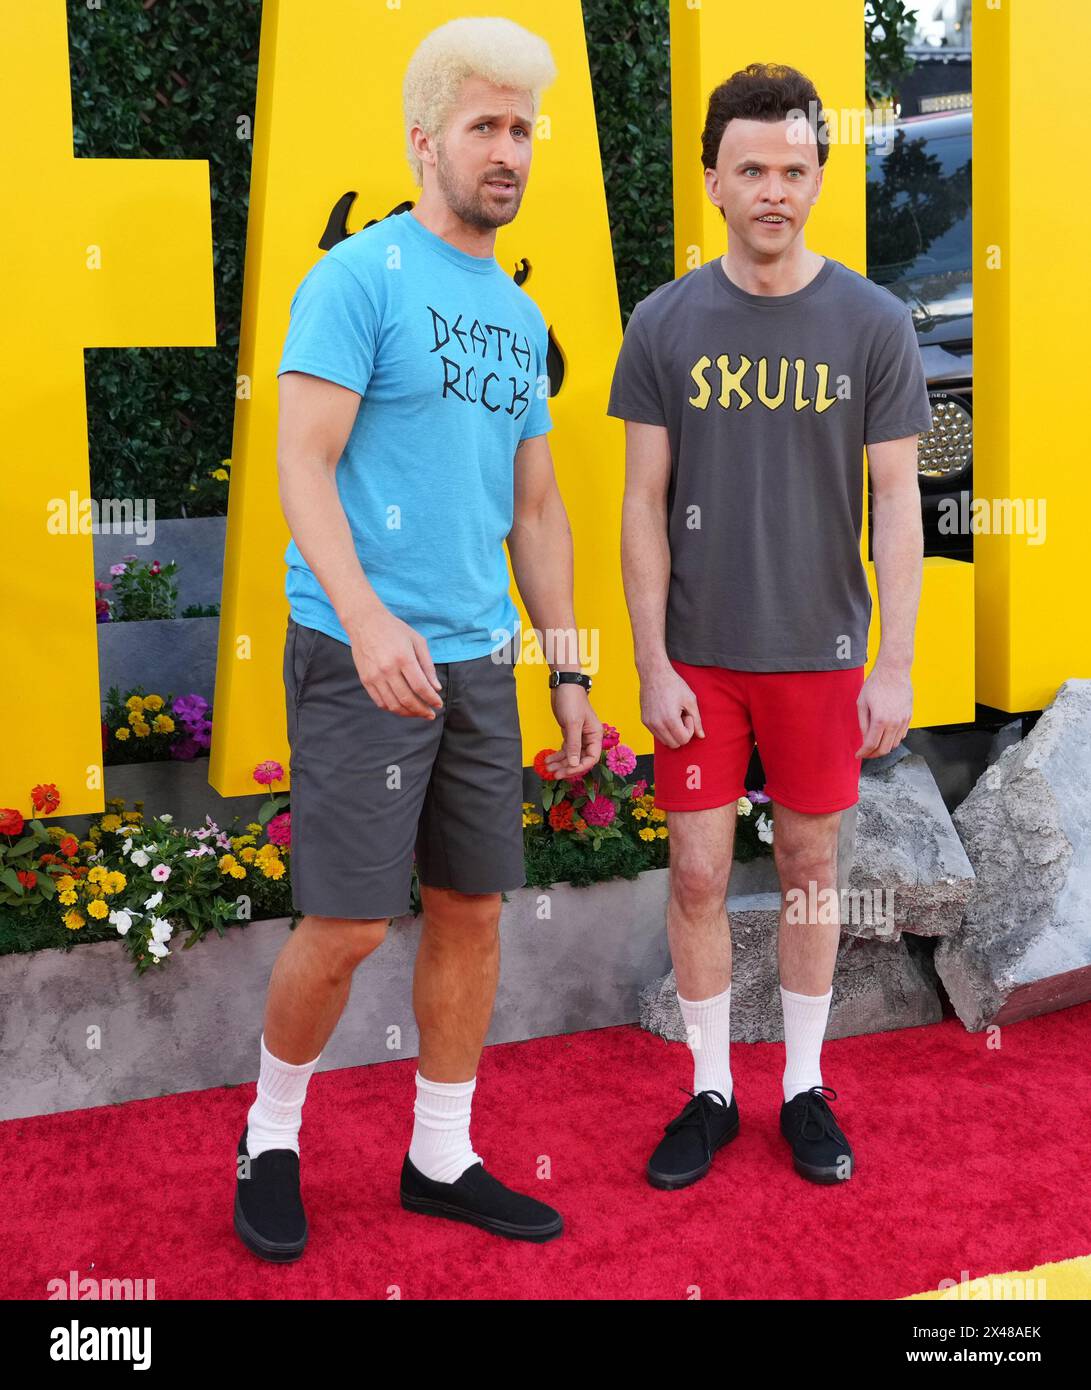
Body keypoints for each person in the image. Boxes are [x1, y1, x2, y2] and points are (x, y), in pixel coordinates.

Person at [234, 16, 602, 1262]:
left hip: (477, 659)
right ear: (423, 138)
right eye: (484, 127)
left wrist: (567, 670)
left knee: (471, 912)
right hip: (356, 651)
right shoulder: (356, 280)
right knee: (342, 924)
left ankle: (439, 1153)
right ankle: (270, 1136)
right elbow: (300, 462)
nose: (507, 150)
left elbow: (536, 508)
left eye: (521, 129)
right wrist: (368, 615)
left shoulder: (508, 309)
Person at [608, 62, 933, 1191]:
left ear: (815, 175)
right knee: (696, 873)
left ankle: (800, 1085)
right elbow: (639, 501)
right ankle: (707, 1089)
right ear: (712, 181)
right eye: (750, 168)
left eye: (793, 169)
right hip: (698, 650)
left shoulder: (870, 321)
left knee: (807, 866)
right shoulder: (662, 321)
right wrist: (648, 660)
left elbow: (897, 501)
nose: (773, 190)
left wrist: (893, 660)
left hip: (822, 652)